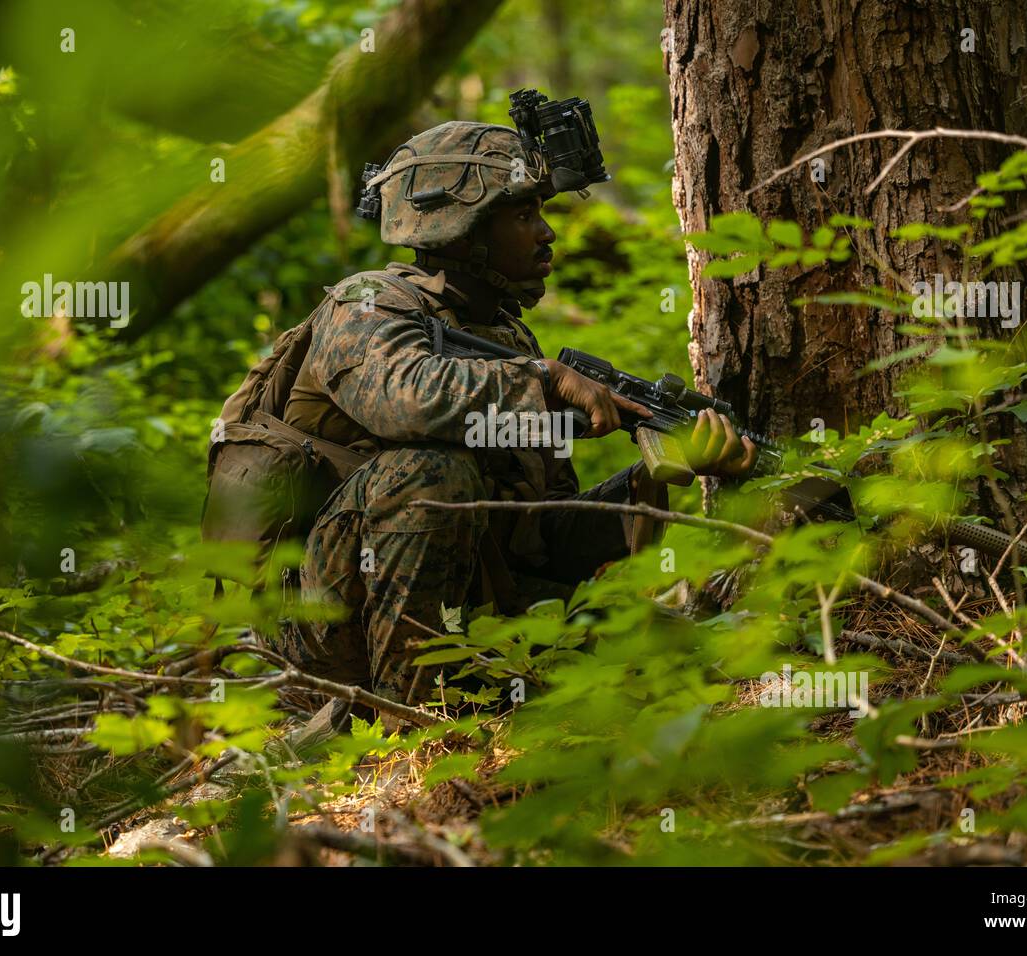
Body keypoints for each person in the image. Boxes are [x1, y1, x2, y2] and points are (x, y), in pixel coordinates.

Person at [263, 119, 757, 727]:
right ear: (459, 227)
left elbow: (542, 533)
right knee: (429, 471)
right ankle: (411, 730)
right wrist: (542, 379)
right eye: (523, 215)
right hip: (325, 629)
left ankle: (474, 701)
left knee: (676, 657)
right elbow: (403, 398)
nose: (547, 233)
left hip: (475, 618)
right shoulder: (366, 303)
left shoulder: (505, 337)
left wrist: (648, 480)